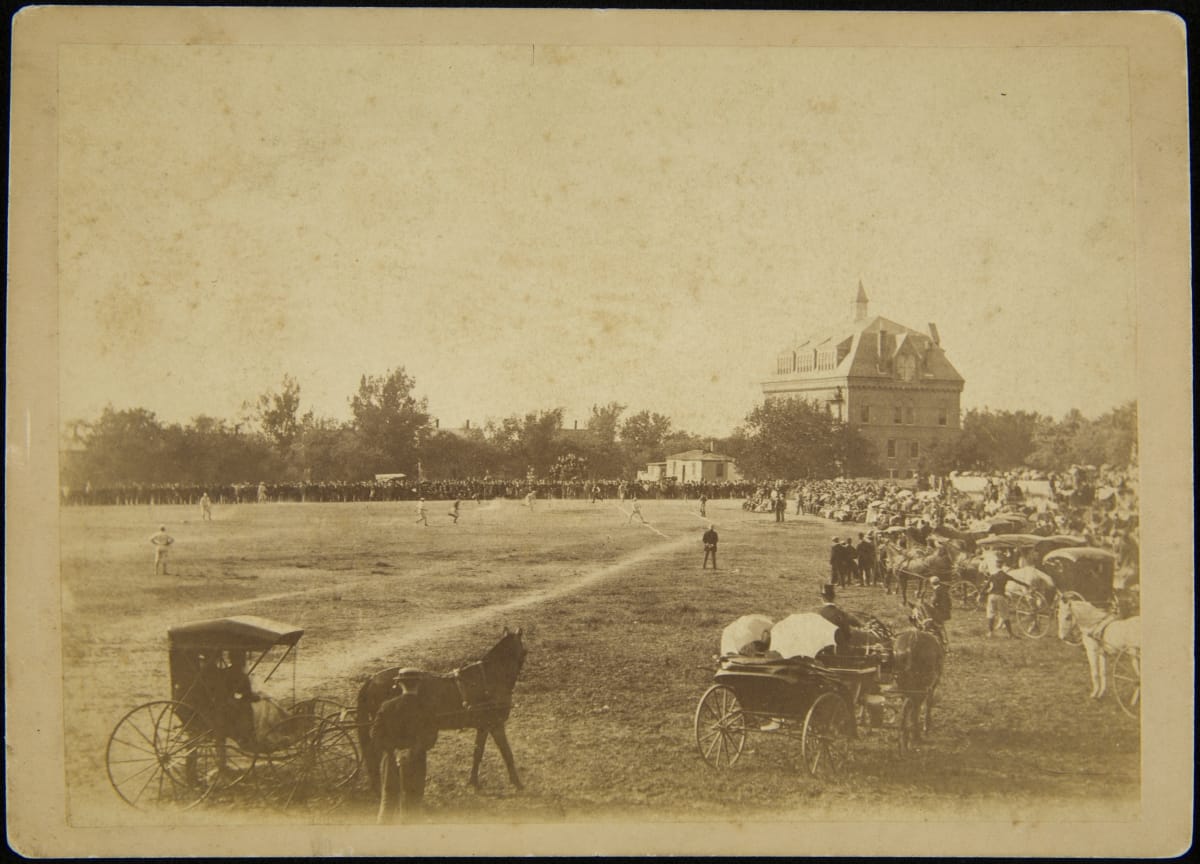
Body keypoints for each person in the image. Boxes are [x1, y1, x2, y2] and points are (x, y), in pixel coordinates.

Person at [981, 566, 1026, 638]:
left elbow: (985, 586)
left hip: (991, 596)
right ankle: (1010, 634)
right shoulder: (1005, 576)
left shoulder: (993, 576)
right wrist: (1027, 585)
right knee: (1005, 615)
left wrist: (981, 594)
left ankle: (990, 633)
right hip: (1000, 596)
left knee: (991, 614)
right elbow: (1017, 581)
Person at [927, 575, 952, 646]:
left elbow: (933, 601)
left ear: (931, 584)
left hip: (941, 612)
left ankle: (941, 640)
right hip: (946, 611)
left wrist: (932, 604)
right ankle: (942, 639)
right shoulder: (943, 589)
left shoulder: (937, 591)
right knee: (940, 625)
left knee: (935, 623)